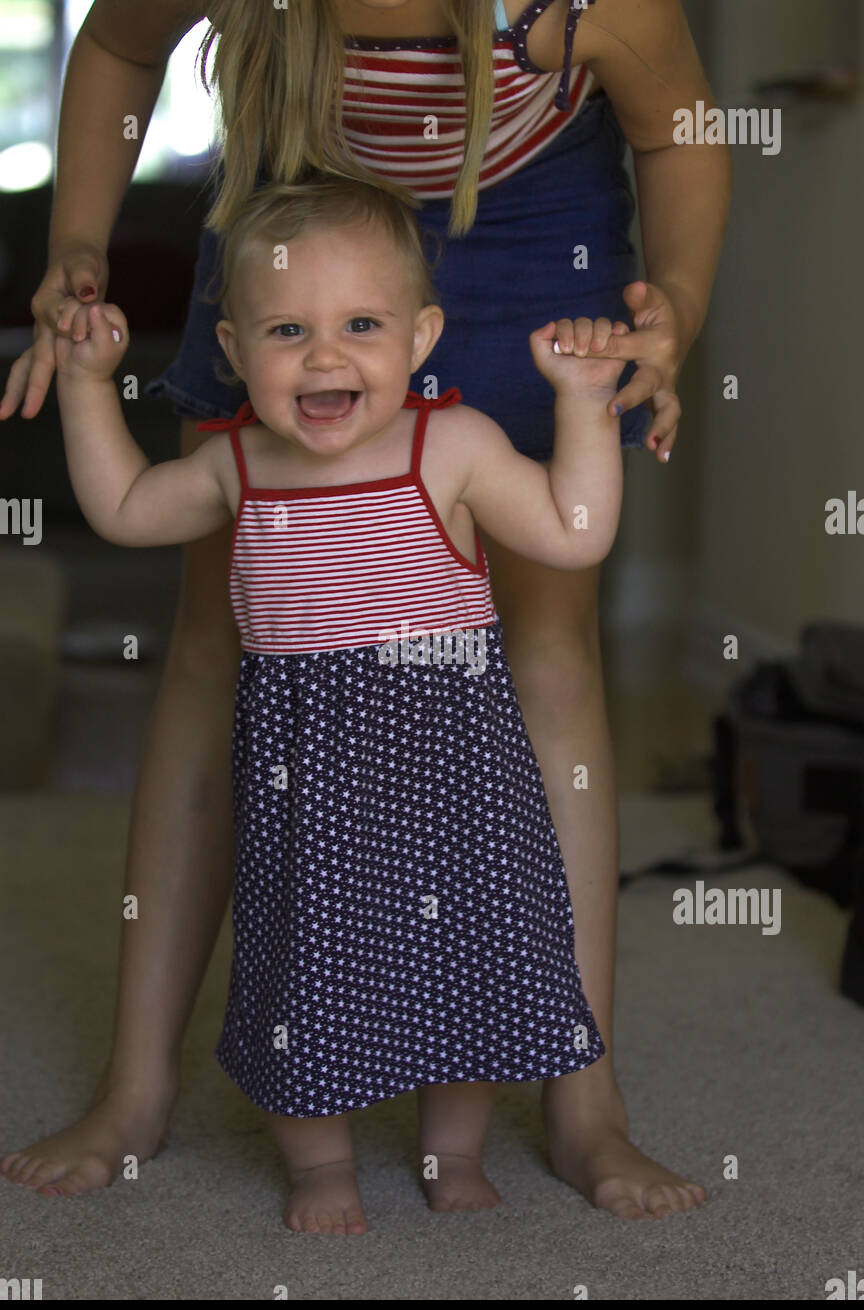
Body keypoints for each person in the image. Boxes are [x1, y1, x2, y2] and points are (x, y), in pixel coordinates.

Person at [1, 0, 730, 1221]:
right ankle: (135, 1087)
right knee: (218, 640)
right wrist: (75, 238)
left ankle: (583, 1098)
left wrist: (684, 308)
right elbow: (123, 45)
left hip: (531, 218)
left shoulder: (581, 9)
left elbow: (685, 126)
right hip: (294, 212)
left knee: (546, 652)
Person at [53, 174, 637, 1231]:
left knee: (475, 964)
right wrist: (92, 385)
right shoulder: (237, 465)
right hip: (311, 797)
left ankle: (450, 1148)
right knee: (303, 977)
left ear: (421, 336)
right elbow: (127, 508)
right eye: (288, 329)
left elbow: (575, 531)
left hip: (457, 791)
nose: (325, 356)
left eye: (361, 325)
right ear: (232, 349)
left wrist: (584, 407)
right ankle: (319, 1166)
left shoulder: (449, 448)